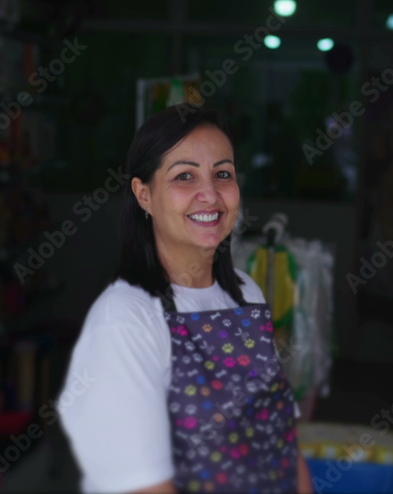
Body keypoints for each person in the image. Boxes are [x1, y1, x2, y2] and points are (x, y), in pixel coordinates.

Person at [59, 104, 311, 493]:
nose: (209, 195)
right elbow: (142, 486)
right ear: (144, 194)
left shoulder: (247, 294)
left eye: (222, 174)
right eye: (184, 176)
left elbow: (283, 441)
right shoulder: (125, 319)